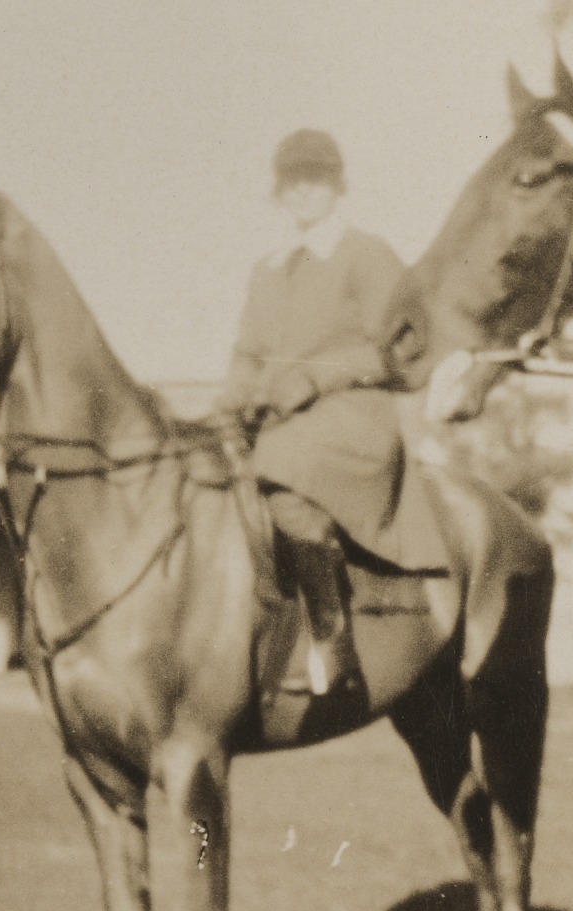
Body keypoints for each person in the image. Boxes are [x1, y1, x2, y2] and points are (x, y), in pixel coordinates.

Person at [219, 129, 405, 695]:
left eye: (314, 179)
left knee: (286, 485)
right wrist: (225, 411)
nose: (301, 191)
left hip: (352, 417)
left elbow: (397, 350)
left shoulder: (366, 255)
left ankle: (333, 638)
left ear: (336, 186)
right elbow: (247, 356)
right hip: (283, 424)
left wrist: (314, 378)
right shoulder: (266, 269)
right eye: (291, 181)